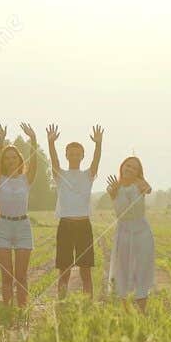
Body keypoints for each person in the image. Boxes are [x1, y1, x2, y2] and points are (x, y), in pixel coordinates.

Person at [46, 123, 103, 301]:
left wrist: (98, 144)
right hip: (65, 226)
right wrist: (51, 143)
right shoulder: (60, 175)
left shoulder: (88, 175)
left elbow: (96, 161)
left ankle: (87, 304)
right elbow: (54, 161)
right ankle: (62, 303)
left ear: (82, 156)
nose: (74, 156)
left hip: (83, 225)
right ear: (67, 156)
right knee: (65, 270)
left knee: (85, 271)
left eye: (78, 154)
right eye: (71, 154)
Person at [0, 122, 41, 309]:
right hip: (3, 227)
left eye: (14, 157)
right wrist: (0, 142)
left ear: (20, 160)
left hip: (23, 227)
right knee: (6, 276)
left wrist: (33, 140)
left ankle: (21, 311)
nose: (10, 160)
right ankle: (7, 311)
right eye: (7, 158)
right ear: (3, 161)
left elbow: (34, 162)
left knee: (21, 275)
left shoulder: (26, 179)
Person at [107, 157, 155, 312]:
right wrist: (114, 191)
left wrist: (143, 183)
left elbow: (149, 189)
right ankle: (126, 312)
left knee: (141, 270)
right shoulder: (114, 187)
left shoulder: (140, 184)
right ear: (122, 167)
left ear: (138, 172)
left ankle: (142, 312)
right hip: (123, 231)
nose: (129, 169)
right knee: (122, 271)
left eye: (134, 168)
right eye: (127, 165)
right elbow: (117, 207)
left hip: (141, 232)